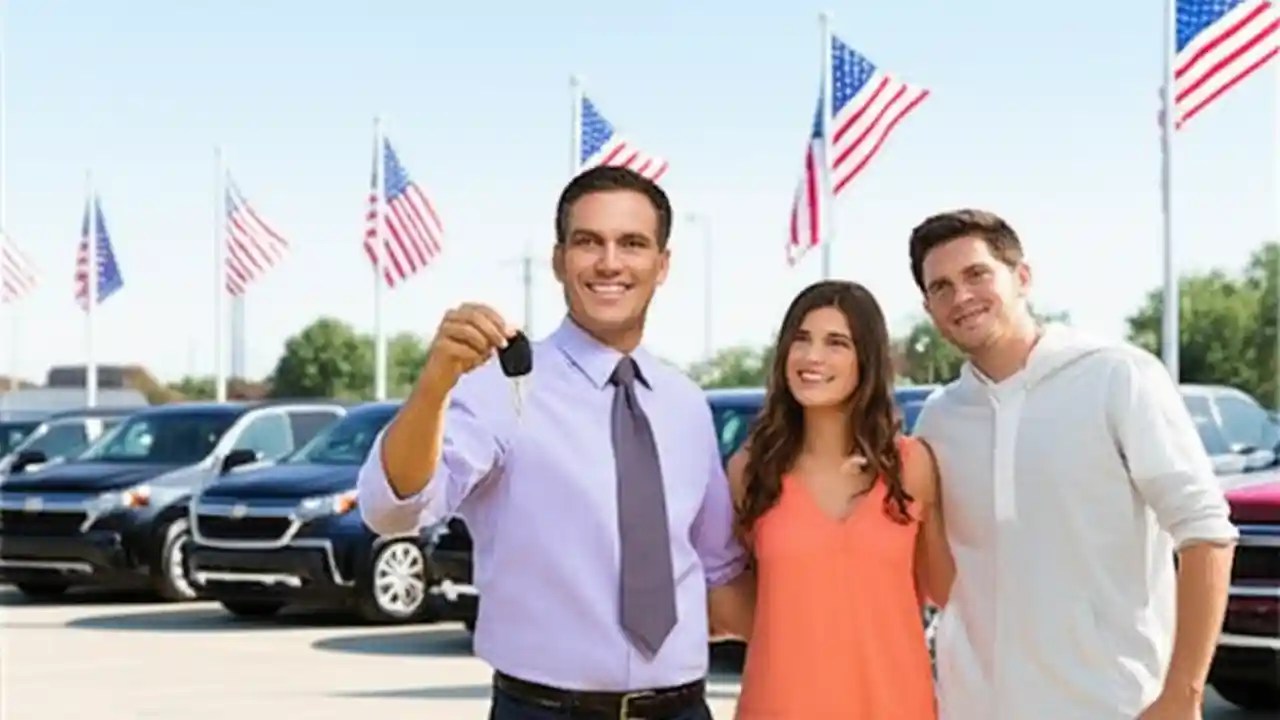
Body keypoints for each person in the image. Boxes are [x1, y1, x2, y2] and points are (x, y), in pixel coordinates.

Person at [355, 165, 752, 720]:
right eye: (588, 242)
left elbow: (718, 571)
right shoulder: (498, 388)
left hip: (683, 709)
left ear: (662, 265)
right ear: (558, 259)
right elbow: (391, 509)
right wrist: (433, 385)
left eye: (632, 243)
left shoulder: (684, 402)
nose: (610, 262)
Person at [907, 209, 1239, 720]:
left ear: (1022, 277)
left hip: (1112, 704)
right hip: (970, 707)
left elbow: (1206, 533)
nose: (962, 297)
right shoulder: (938, 418)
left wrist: (1183, 694)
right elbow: (945, 577)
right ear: (929, 307)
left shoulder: (1117, 376)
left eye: (977, 274)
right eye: (942, 287)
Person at [726, 279, 954, 719]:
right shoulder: (751, 471)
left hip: (894, 705)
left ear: (866, 360)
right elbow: (732, 600)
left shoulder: (911, 466)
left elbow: (943, 588)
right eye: (801, 340)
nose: (813, 357)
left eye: (836, 343)